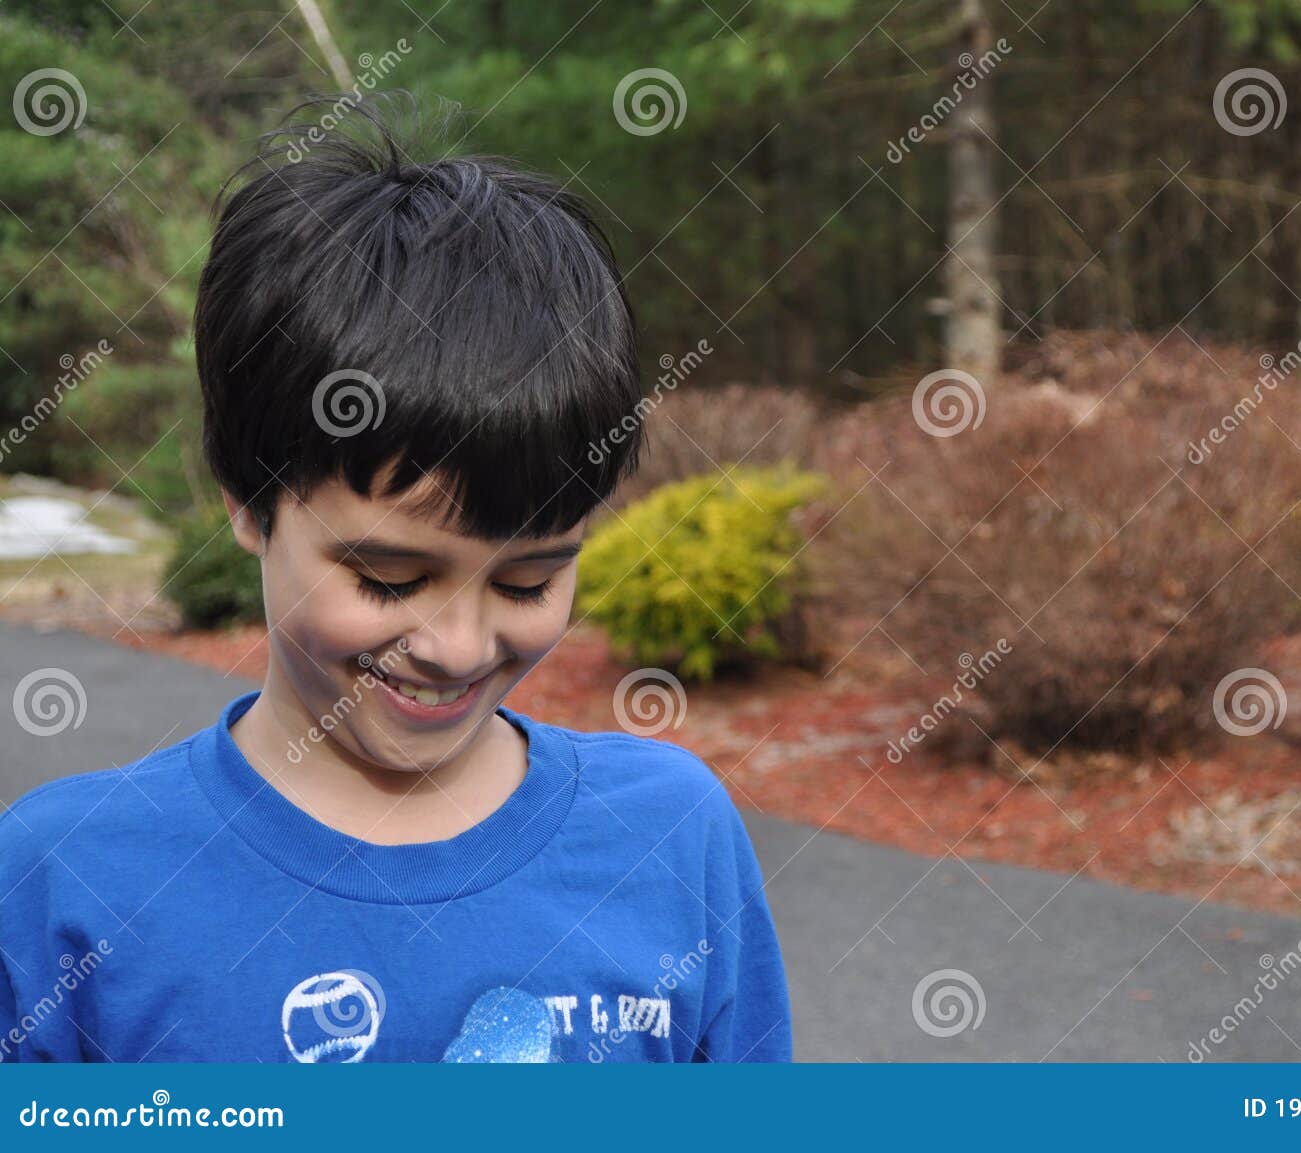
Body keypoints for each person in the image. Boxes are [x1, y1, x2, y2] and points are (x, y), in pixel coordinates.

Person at [0, 93, 791, 1064]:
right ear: (247, 501)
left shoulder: (670, 835)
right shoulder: (67, 881)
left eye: (530, 579)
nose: (458, 646)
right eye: (387, 577)